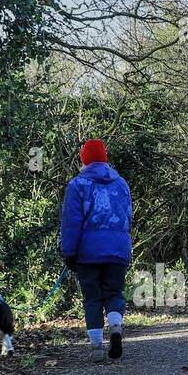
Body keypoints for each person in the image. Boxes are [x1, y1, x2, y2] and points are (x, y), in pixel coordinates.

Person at [60, 139, 132, 361]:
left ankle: (97, 347)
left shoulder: (77, 185)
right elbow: (128, 217)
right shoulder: (121, 184)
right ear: (105, 157)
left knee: (92, 297)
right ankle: (115, 325)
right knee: (114, 293)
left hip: (88, 251)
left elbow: (72, 222)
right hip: (118, 249)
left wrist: (68, 252)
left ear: (84, 158)